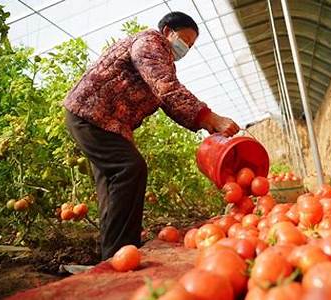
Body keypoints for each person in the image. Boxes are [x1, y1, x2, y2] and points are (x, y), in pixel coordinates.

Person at [63, 11, 240, 260]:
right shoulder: (150, 43)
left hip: (103, 120)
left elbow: (165, 99)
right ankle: (121, 251)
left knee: (113, 183)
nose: (186, 48)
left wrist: (203, 122)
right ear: (168, 31)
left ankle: (115, 254)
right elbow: (165, 88)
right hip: (91, 115)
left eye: (190, 45)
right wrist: (210, 117)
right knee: (130, 168)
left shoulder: (160, 56)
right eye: (185, 41)